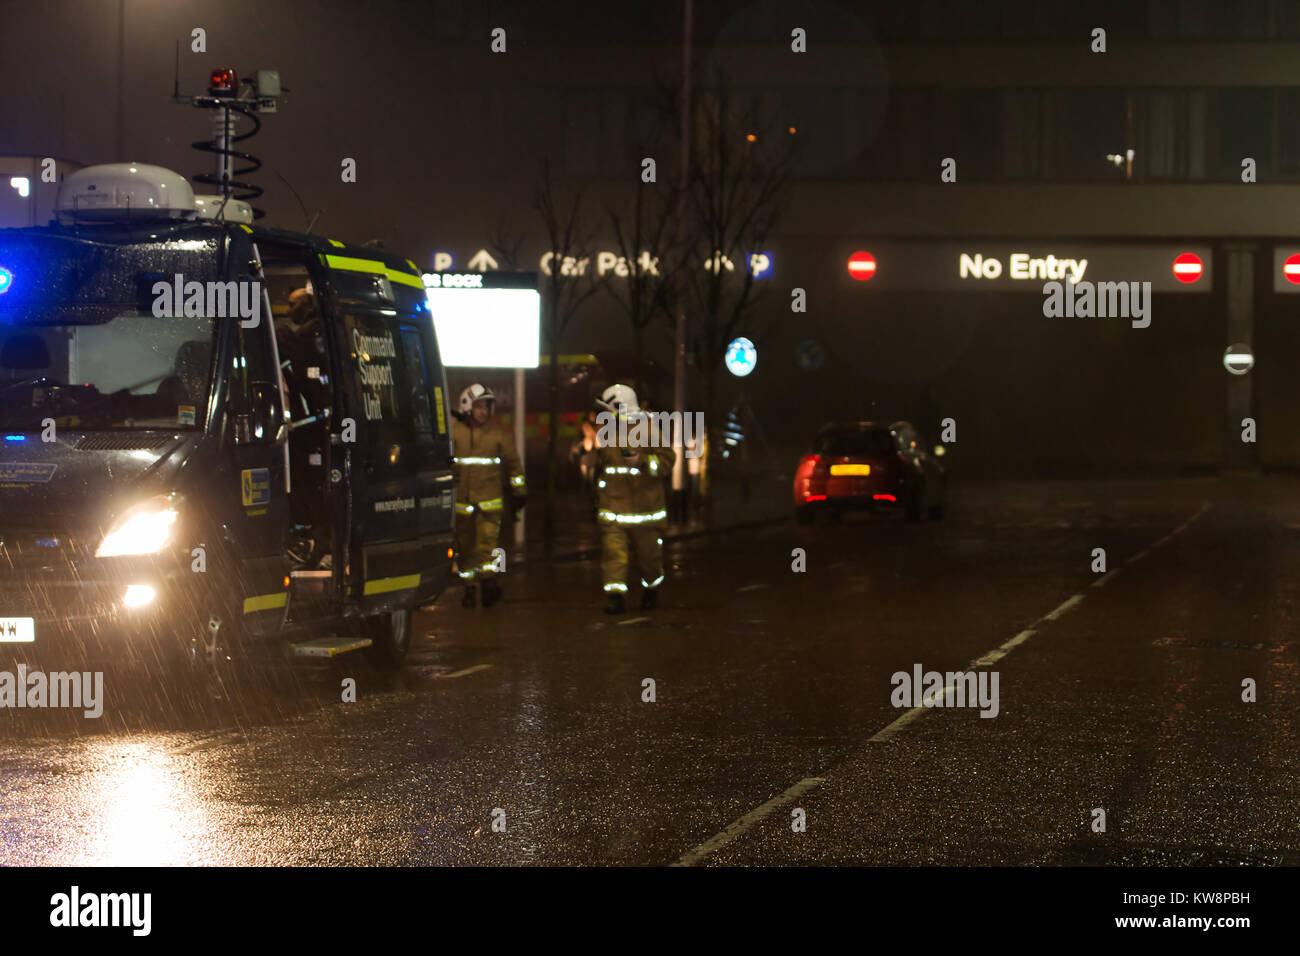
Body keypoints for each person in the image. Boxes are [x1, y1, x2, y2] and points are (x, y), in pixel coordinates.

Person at [594, 383, 675, 614]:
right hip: (614, 507)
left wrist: (644, 461)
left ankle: (651, 589)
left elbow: (667, 462)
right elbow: (604, 466)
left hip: (645, 510)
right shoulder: (607, 433)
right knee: (613, 555)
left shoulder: (650, 431)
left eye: (608, 410)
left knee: (649, 559)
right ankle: (615, 597)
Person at [452, 384, 525, 608]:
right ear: (467, 406)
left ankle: (488, 583)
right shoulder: (456, 433)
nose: (484, 411)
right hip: (462, 503)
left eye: (487, 407)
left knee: (487, 546)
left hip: (490, 503)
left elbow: (514, 466)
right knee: (464, 548)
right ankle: (469, 588)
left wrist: (519, 493)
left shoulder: (498, 435)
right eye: (479, 406)